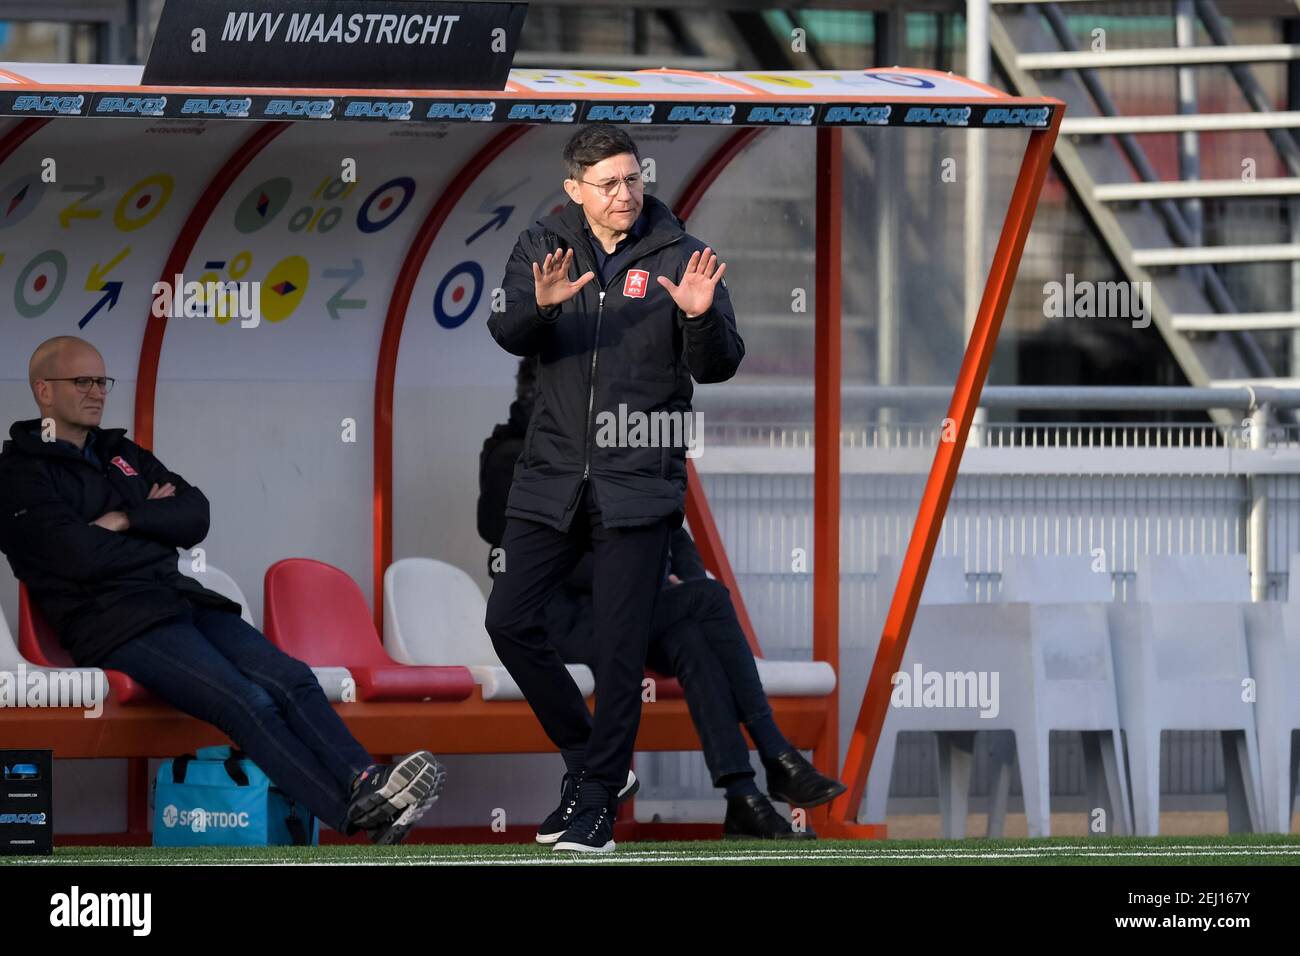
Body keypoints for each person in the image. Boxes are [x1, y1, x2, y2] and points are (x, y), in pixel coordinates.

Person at [0, 336, 444, 845]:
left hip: (182, 599)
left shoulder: (119, 452)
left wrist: (124, 519)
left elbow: (195, 515)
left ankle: (366, 782)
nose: (98, 392)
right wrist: (153, 530)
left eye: (103, 381)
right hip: (115, 622)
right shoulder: (17, 474)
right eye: (83, 381)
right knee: (245, 701)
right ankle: (358, 814)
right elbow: (76, 556)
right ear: (43, 391)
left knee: (291, 678)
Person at [484, 123, 743, 853]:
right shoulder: (543, 246)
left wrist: (698, 321)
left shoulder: (682, 254)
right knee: (508, 622)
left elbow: (721, 363)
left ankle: (597, 802)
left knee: (620, 649)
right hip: (552, 479)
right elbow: (506, 330)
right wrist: (541, 306)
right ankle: (589, 758)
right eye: (608, 184)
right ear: (575, 190)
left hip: (638, 483)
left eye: (633, 179)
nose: (625, 194)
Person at [481, 357, 846, 840]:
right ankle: (774, 753)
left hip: (630, 612)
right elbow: (525, 549)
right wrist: (643, 578)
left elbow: (667, 532)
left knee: (696, 634)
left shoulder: (610, 453)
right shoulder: (515, 455)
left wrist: (676, 579)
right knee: (707, 602)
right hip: (570, 622)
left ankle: (745, 797)